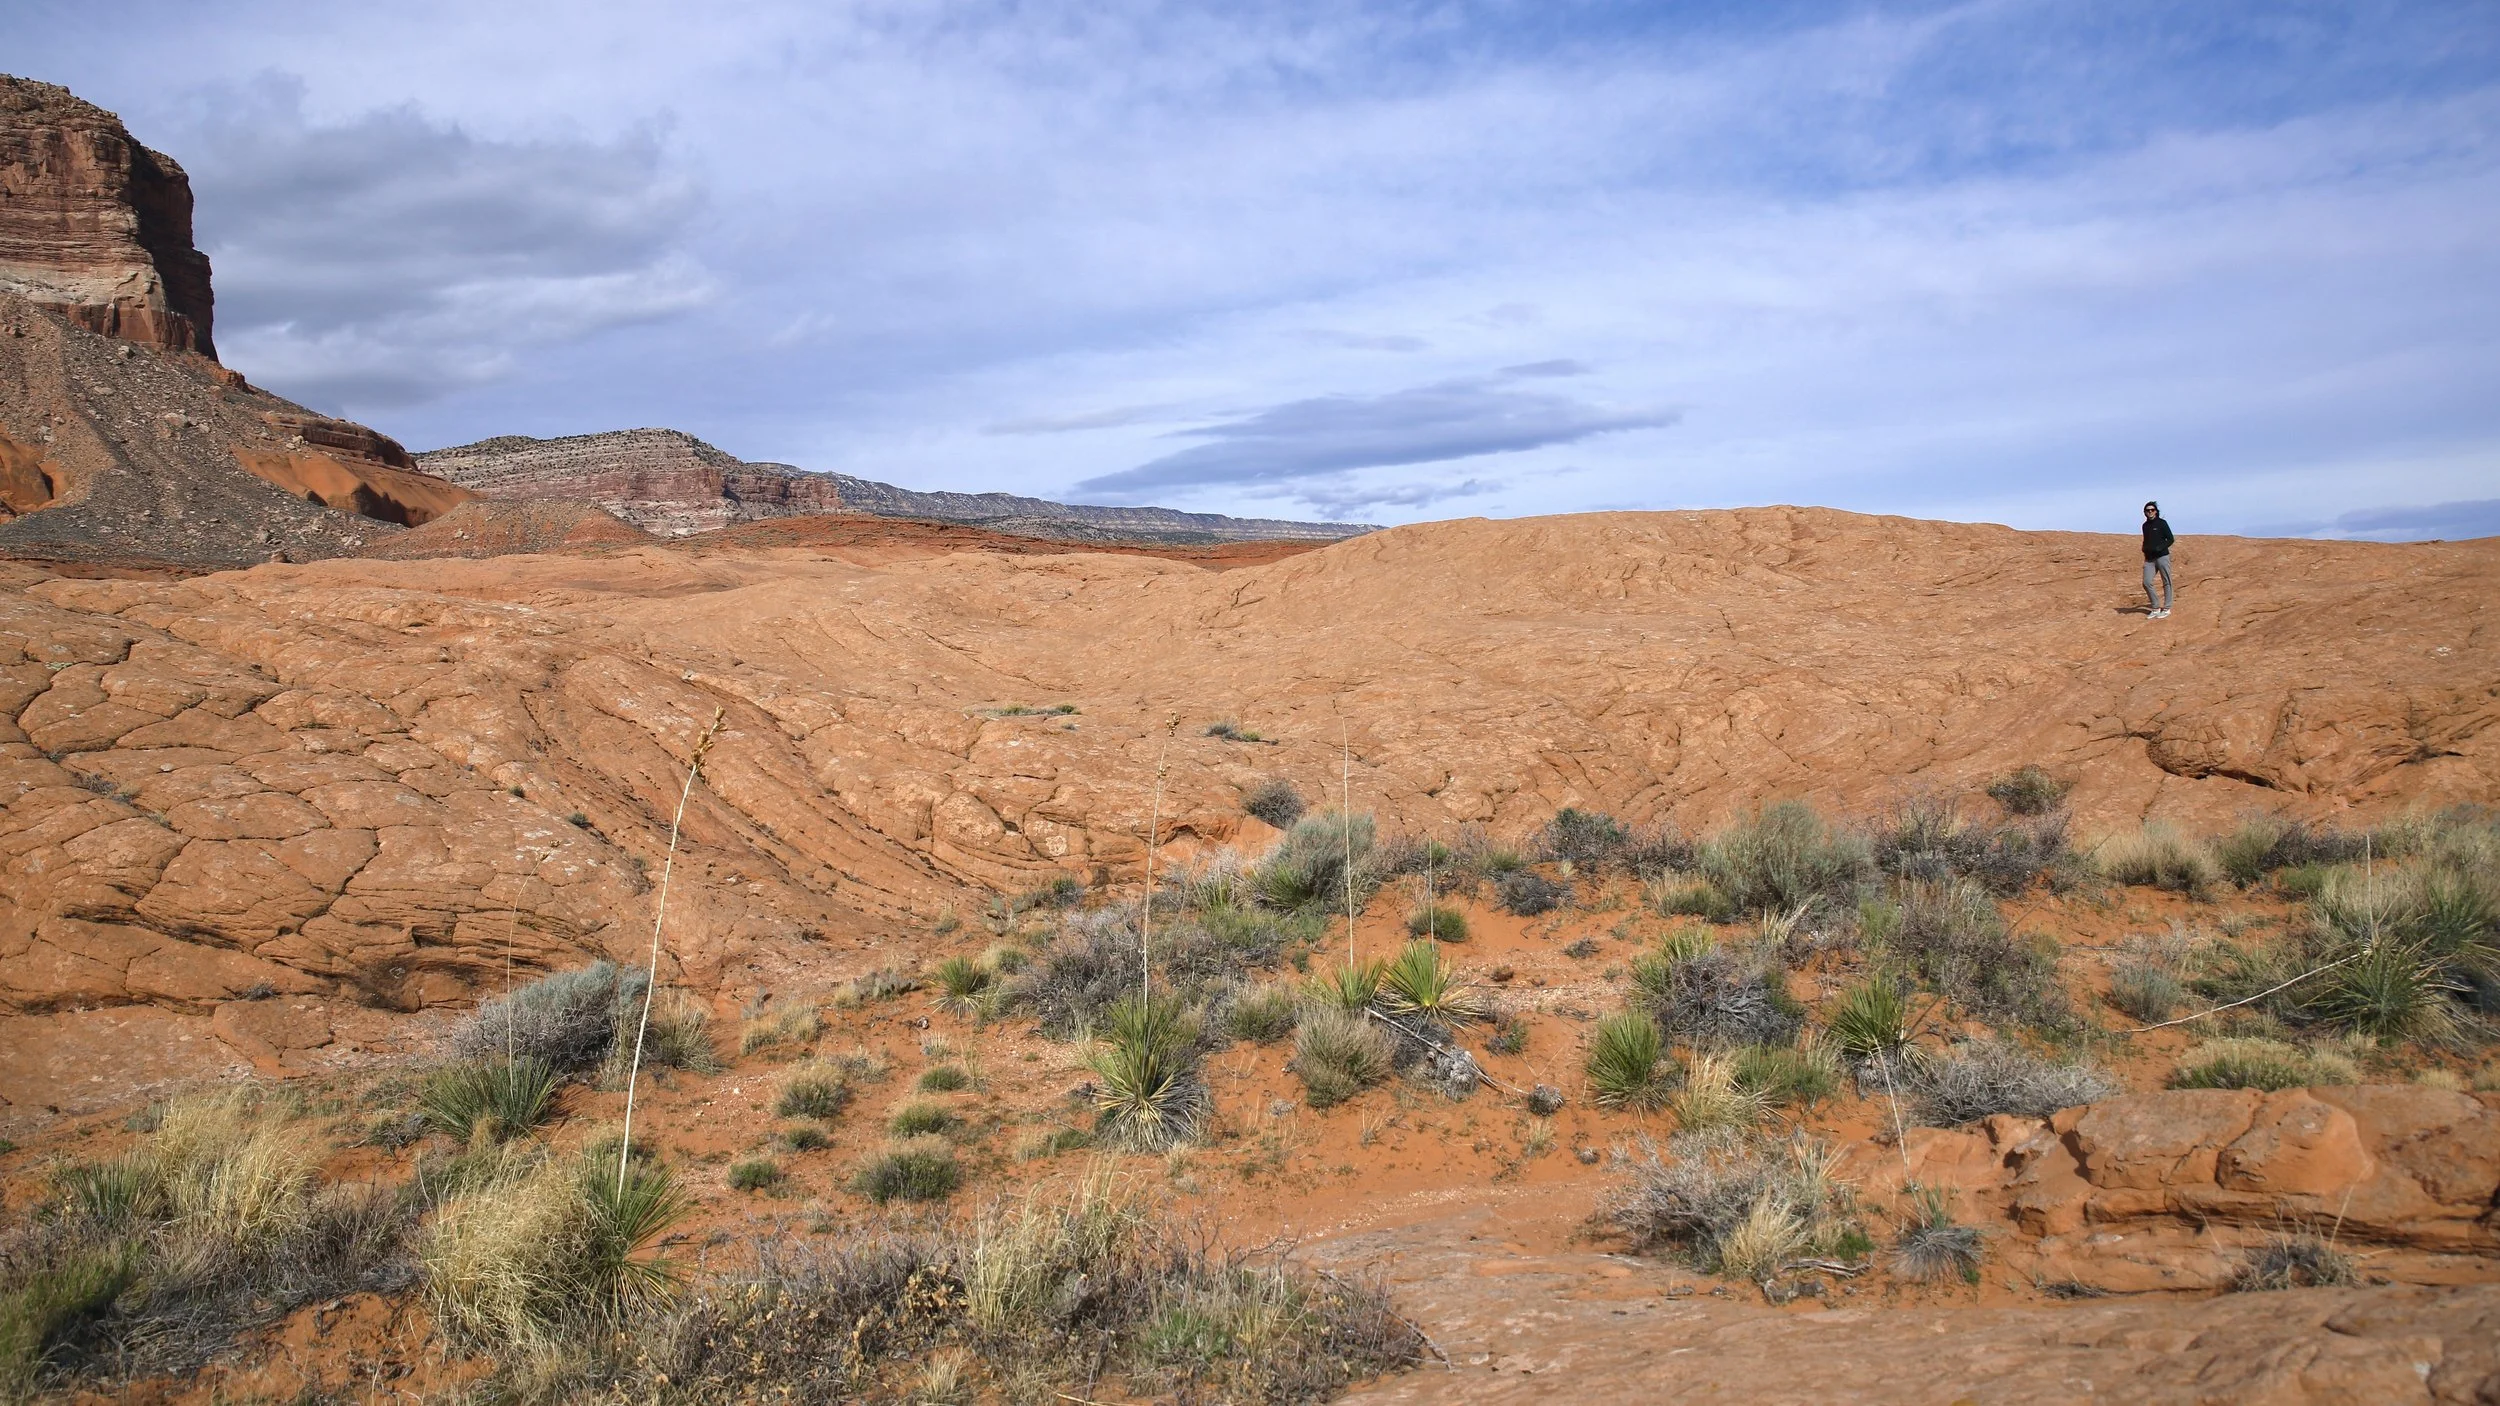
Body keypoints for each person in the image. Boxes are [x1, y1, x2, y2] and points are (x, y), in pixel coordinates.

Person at [2140, 501, 2175, 618]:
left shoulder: (2162, 523)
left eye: (2152, 510)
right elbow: (2146, 539)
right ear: (2145, 512)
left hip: (2162, 556)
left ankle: (2167, 608)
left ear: (2156, 511)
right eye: (2147, 510)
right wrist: (2144, 548)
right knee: (2146, 582)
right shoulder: (2145, 526)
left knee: (2166, 581)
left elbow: (2170, 539)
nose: (2150, 512)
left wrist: (2160, 547)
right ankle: (2155, 607)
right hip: (2149, 559)